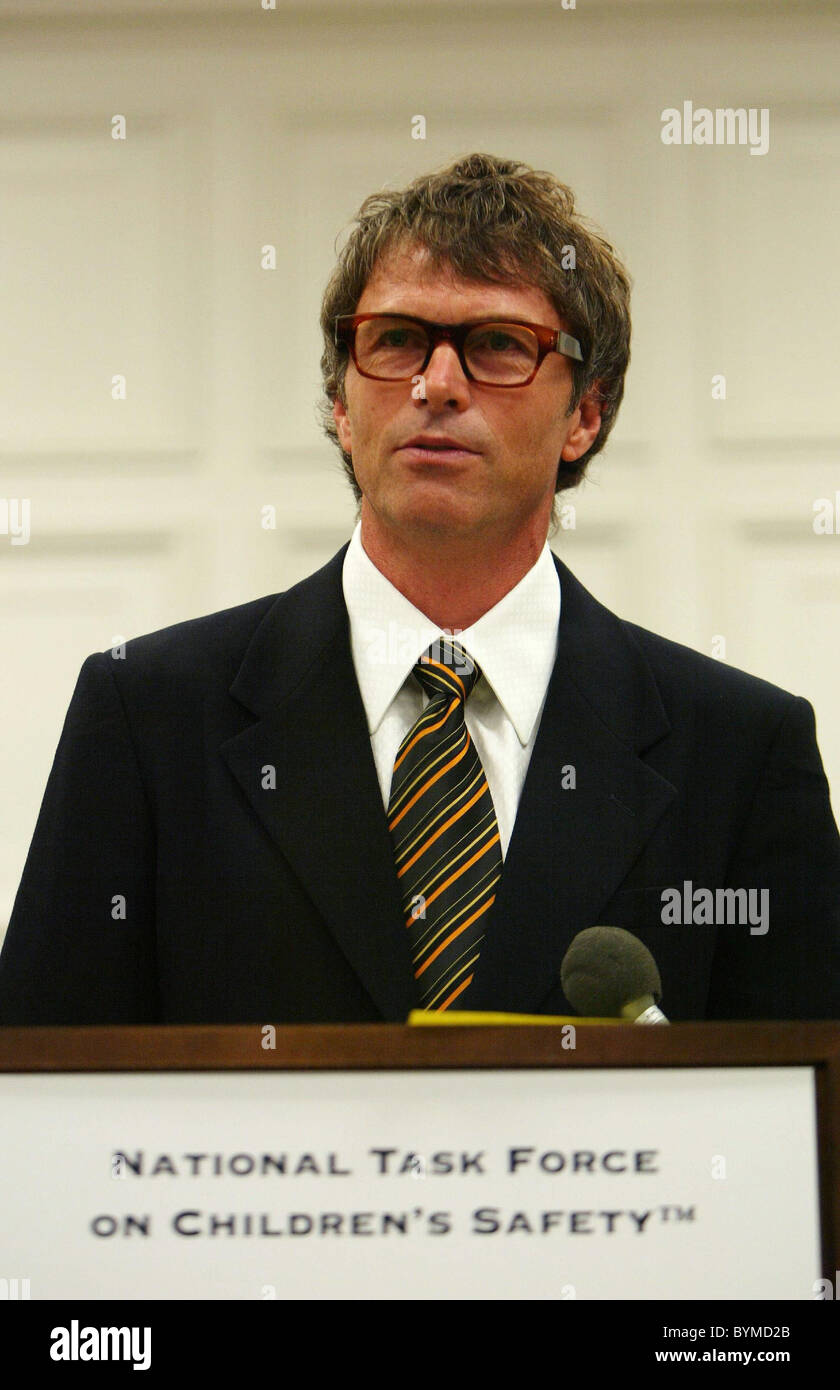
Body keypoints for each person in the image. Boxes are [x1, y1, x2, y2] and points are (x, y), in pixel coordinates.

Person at [1, 152, 838, 1025]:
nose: (437, 386)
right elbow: (42, 1100)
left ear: (585, 415)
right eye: (396, 340)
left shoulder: (740, 752)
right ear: (340, 400)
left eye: (500, 347)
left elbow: (804, 1127)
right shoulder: (148, 716)